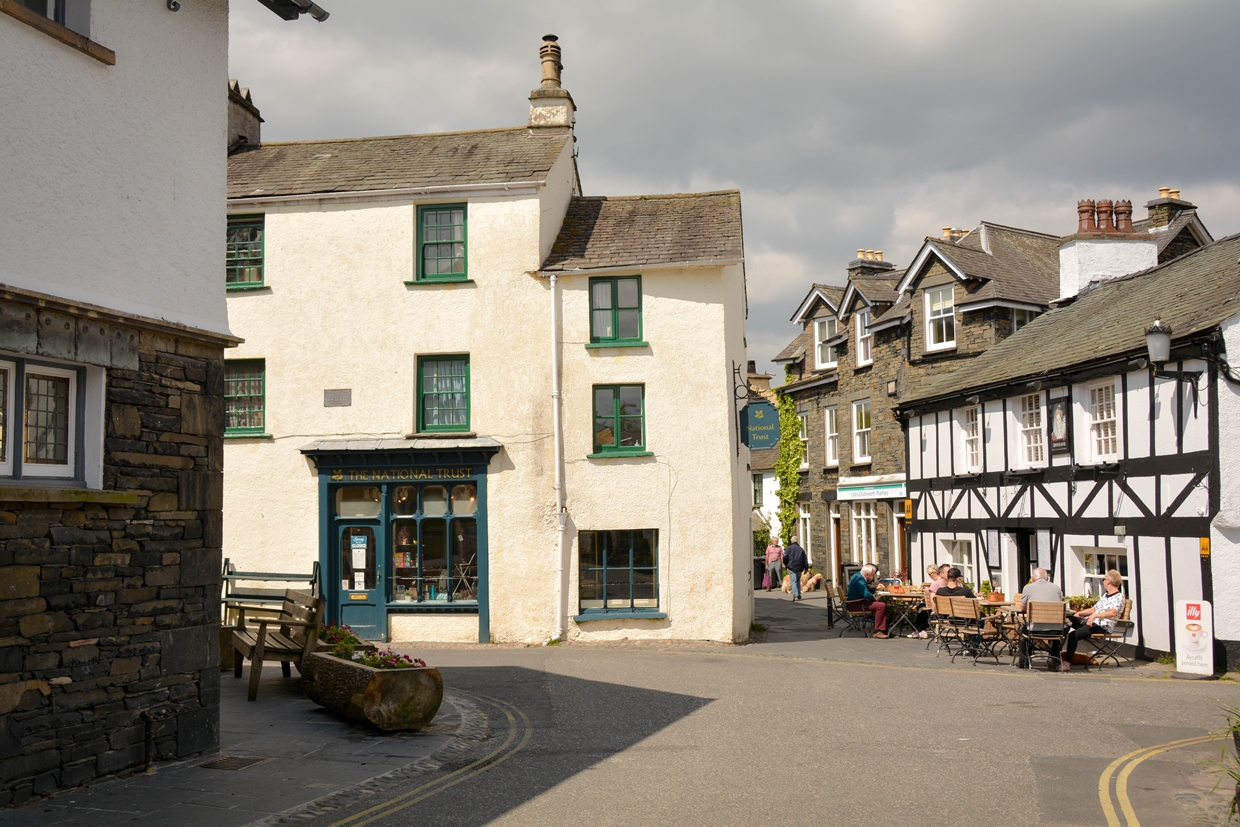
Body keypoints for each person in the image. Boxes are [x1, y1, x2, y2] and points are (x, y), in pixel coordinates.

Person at [1057, 569, 1125, 672]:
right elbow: (1093, 609)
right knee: (1068, 620)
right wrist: (1079, 613)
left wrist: (1095, 616)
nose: (1103, 581)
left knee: (1073, 635)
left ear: (1108, 582)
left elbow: (1113, 613)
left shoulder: (1119, 597)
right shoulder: (1105, 596)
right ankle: (1056, 654)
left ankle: (1066, 663)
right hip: (1092, 622)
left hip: (1103, 626)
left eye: (1104, 579)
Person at [1017, 568, 1063, 668]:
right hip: (1056, 630)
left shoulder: (1028, 588)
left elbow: (1022, 608)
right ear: (1047, 578)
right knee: (1061, 633)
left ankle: (1023, 662)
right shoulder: (1056, 588)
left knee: (1024, 631)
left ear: (1032, 578)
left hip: (1035, 630)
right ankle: (1054, 661)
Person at [847, 563, 890, 638]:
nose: (873, 577)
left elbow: (865, 590)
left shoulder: (857, 575)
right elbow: (865, 594)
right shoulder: (860, 579)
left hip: (856, 602)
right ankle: (878, 631)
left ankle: (885, 630)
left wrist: (875, 589)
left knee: (883, 604)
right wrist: (873, 597)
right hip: (856, 604)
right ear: (867, 574)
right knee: (881, 606)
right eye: (872, 575)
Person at [782, 536, 809, 601]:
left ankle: (796, 595)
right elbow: (805, 559)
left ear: (792, 541)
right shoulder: (801, 549)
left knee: (794, 581)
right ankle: (798, 593)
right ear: (797, 541)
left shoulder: (788, 549)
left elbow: (785, 557)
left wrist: (786, 564)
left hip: (792, 567)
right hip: (800, 567)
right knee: (797, 580)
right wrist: (806, 568)